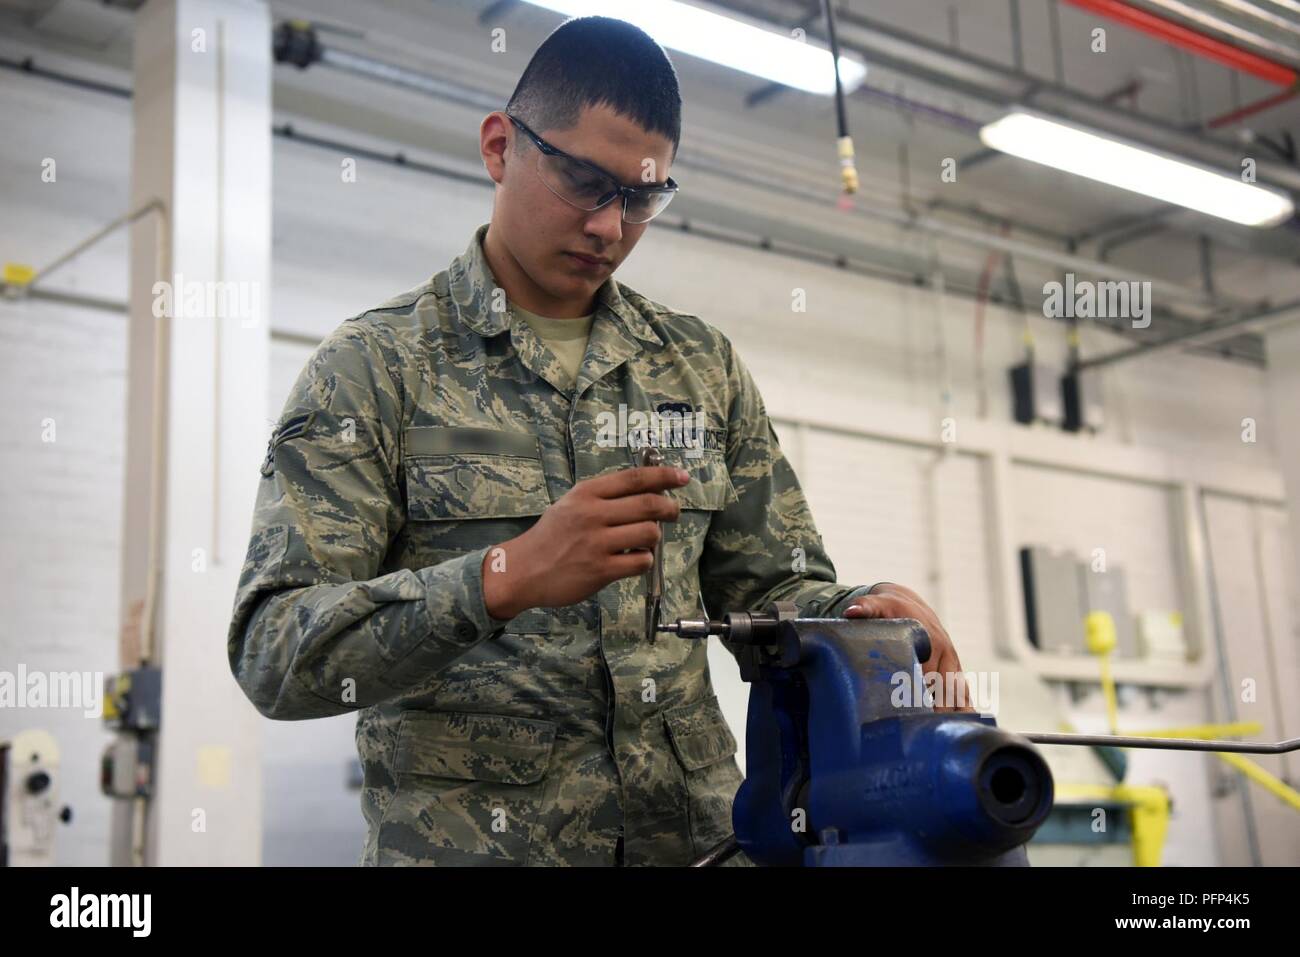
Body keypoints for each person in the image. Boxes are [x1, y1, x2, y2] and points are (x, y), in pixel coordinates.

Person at [228, 15, 970, 867]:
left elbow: (772, 589)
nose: (611, 227)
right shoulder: (376, 367)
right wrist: (502, 577)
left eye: (643, 197)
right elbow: (272, 649)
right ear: (501, 147)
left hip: (694, 847)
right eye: (585, 181)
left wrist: (858, 612)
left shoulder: (697, 368)